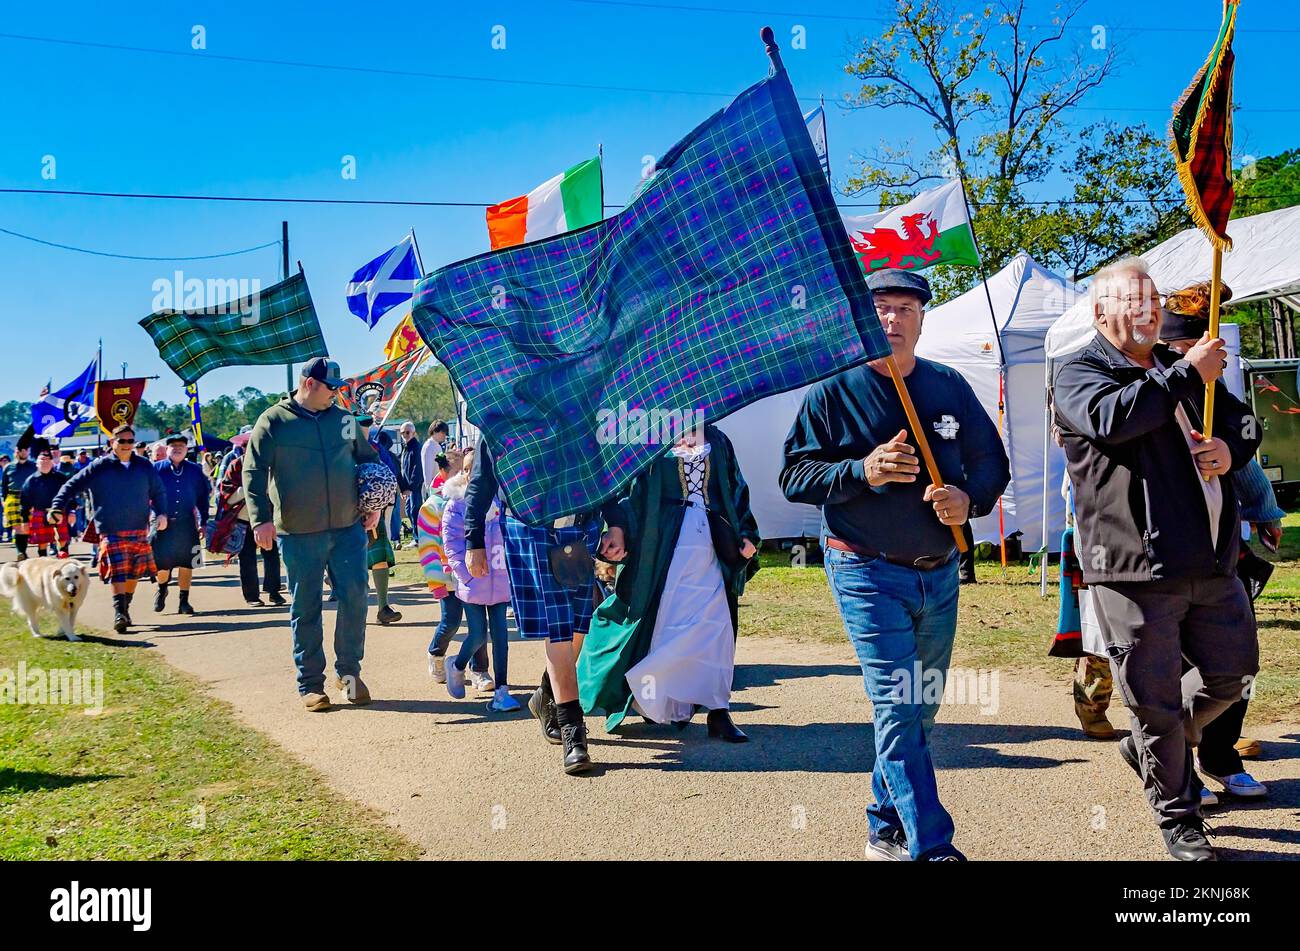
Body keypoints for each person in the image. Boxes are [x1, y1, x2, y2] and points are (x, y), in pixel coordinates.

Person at [779, 268, 1011, 861]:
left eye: (906, 309)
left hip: (939, 571)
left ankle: (883, 821)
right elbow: (794, 477)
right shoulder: (832, 391)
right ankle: (930, 845)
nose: (892, 320)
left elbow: (992, 463)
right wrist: (863, 470)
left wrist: (970, 499)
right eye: (881, 308)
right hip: (864, 568)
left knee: (921, 703)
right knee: (898, 701)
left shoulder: (948, 385)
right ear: (863, 317)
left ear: (922, 318)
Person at [1052, 259, 1261, 861]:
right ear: (1101, 312)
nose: (1147, 310)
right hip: (1131, 566)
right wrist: (1186, 375)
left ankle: (1155, 746)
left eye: (1151, 299)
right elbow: (1114, 420)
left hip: (1210, 558)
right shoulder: (1077, 372)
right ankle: (1181, 820)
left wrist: (1228, 447)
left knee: (1234, 673)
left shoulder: (1179, 368)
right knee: (1154, 702)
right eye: (1132, 301)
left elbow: (1243, 425)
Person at [579, 423, 761, 740]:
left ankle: (719, 711)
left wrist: (745, 533)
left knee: (715, 627)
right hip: (662, 546)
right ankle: (649, 696)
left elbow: (735, 489)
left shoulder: (717, 438)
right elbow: (627, 492)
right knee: (668, 626)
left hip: (710, 547)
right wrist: (618, 529)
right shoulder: (648, 435)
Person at [464, 443, 627, 774]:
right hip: (531, 530)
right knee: (559, 632)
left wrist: (618, 523)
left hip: (581, 528)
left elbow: (605, 469)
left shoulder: (580, 404)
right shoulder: (499, 412)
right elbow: (482, 483)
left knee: (580, 627)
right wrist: (473, 541)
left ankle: (545, 694)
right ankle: (574, 734)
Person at [243, 358, 380, 712]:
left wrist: (376, 503)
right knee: (306, 606)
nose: (336, 393)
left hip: (348, 527)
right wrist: (260, 520)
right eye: (330, 387)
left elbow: (367, 460)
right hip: (298, 531)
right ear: (308, 384)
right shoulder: (273, 422)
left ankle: (349, 674)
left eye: (338, 387)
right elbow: (254, 473)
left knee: (354, 598)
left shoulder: (345, 421)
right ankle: (311, 685)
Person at [50, 424, 167, 634]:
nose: (126, 445)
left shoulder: (144, 466)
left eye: (130, 441)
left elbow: (158, 491)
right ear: (112, 442)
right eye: (121, 441)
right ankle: (119, 613)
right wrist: (58, 505)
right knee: (118, 572)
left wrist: (162, 513)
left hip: (138, 527)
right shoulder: (100, 466)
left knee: (134, 574)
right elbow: (71, 485)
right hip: (111, 527)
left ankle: (126, 606)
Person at [441, 462, 520, 711]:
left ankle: (502, 691)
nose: (473, 473)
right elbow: (452, 545)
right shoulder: (456, 505)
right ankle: (456, 665)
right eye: (468, 469)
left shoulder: (503, 502)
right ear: (464, 473)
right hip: (473, 584)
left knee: (501, 637)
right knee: (477, 634)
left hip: (500, 583)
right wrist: (466, 576)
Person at [423, 448, 490, 688]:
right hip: (447, 578)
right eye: (460, 470)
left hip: (470, 576)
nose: (465, 476)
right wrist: (435, 582)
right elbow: (428, 549)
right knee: (451, 621)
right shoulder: (432, 507)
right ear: (444, 473)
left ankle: (480, 671)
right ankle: (436, 653)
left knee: (478, 626)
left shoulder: (473, 502)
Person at [217, 435, 285, 606]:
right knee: (247, 559)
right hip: (242, 519)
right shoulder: (235, 465)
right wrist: (246, 490)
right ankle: (251, 596)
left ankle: (273, 591)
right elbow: (225, 493)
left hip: (268, 518)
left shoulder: (271, 464)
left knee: (271, 555)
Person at [151, 434, 211, 615]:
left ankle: (184, 601)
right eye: (173, 446)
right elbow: (148, 496)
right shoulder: (156, 469)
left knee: (187, 564)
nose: (177, 448)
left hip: (187, 524)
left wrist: (204, 521)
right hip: (163, 524)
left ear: (186, 449)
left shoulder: (195, 471)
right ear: (166, 449)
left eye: (181, 446)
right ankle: (162, 589)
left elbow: (203, 498)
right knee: (161, 565)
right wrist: (154, 515)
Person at [356, 413, 401, 625]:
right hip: (345, 514)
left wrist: (378, 506)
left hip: (374, 512)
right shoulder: (340, 448)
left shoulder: (376, 449)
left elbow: (389, 474)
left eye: (366, 427)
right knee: (349, 562)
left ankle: (383, 607)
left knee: (380, 557)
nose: (364, 431)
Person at [20, 448, 72, 557]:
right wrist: (25, 520)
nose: (45, 461)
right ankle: (43, 564)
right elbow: (24, 501)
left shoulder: (61, 477)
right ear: (37, 462)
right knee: (42, 543)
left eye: (48, 459)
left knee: (62, 541)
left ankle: (63, 566)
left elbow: (69, 495)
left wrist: (72, 511)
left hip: (59, 512)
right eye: (42, 459)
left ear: (52, 462)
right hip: (40, 513)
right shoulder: (31, 480)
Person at [3, 445, 36, 559]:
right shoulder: (8, 467)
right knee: (17, 528)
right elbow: (4, 486)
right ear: (15, 453)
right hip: (12, 497)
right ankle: (20, 553)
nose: (21, 453)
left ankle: (23, 551)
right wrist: (4, 500)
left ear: (27, 452)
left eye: (24, 450)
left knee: (25, 527)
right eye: (18, 451)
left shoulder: (33, 466)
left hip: (28, 497)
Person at [398, 420, 424, 542]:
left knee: (415, 511)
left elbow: (417, 469)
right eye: (402, 433)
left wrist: (410, 488)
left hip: (415, 487)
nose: (405, 435)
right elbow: (403, 469)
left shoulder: (415, 448)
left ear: (413, 433)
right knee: (409, 511)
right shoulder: (406, 448)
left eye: (407, 432)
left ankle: (418, 538)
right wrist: (404, 488)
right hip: (408, 488)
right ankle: (416, 536)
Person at [421, 421, 449, 492]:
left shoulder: (437, 446)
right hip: (433, 487)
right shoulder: (428, 447)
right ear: (434, 431)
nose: (444, 435)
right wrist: (429, 489)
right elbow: (427, 470)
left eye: (445, 433)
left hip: (439, 485)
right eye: (442, 432)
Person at [0, 454, 10, 543]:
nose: (4, 462)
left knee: (9, 516)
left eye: (5, 460)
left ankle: (10, 535)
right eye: (2, 461)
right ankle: (0, 535)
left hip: (9, 496)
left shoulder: (11, 470)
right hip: (1, 496)